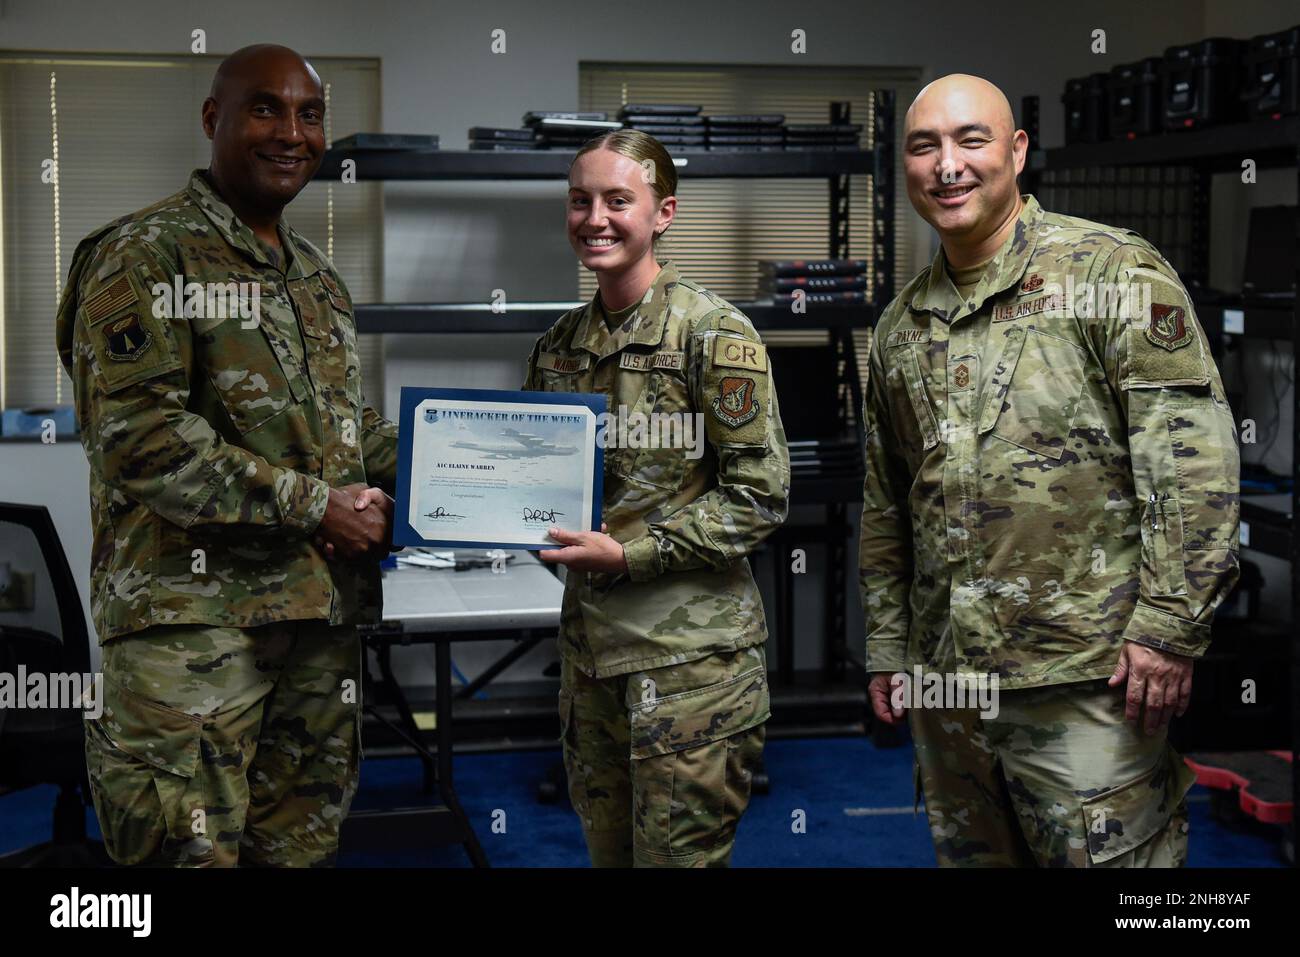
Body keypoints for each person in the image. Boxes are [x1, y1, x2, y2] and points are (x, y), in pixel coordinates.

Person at [859, 74, 1240, 867]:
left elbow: (1192, 463)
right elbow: (888, 505)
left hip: (1087, 681)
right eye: (925, 146)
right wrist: (890, 650)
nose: (947, 165)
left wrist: (1170, 629)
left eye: (971, 140)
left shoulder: (1110, 274)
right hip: (952, 690)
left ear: (1017, 151)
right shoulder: (900, 326)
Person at [55, 44, 398, 867]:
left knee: (298, 854)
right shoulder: (145, 255)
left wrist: (481, 463)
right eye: (265, 109)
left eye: (309, 115)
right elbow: (142, 437)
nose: (291, 133)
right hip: (193, 643)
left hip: (317, 630)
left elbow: (342, 432)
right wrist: (320, 506)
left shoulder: (315, 278)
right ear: (214, 119)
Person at [522, 130, 790, 867]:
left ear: (663, 212)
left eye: (618, 200)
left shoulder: (714, 335)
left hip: (689, 669)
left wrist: (631, 554)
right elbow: (533, 479)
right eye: (581, 201)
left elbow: (760, 496)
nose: (595, 218)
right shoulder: (558, 346)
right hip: (592, 662)